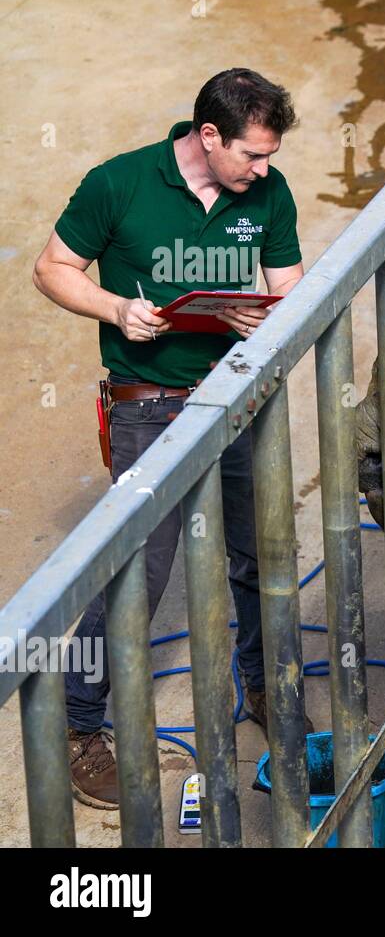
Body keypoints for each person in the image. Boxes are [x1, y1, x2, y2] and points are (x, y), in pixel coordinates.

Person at [31, 68, 313, 810]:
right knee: (138, 570)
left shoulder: (267, 193)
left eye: (270, 156)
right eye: (251, 155)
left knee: (262, 551)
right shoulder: (119, 184)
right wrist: (118, 308)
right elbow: (52, 267)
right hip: (147, 404)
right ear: (209, 135)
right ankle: (76, 724)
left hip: (234, 398)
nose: (263, 169)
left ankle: (265, 688)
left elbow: (289, 286)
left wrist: (263, 316)